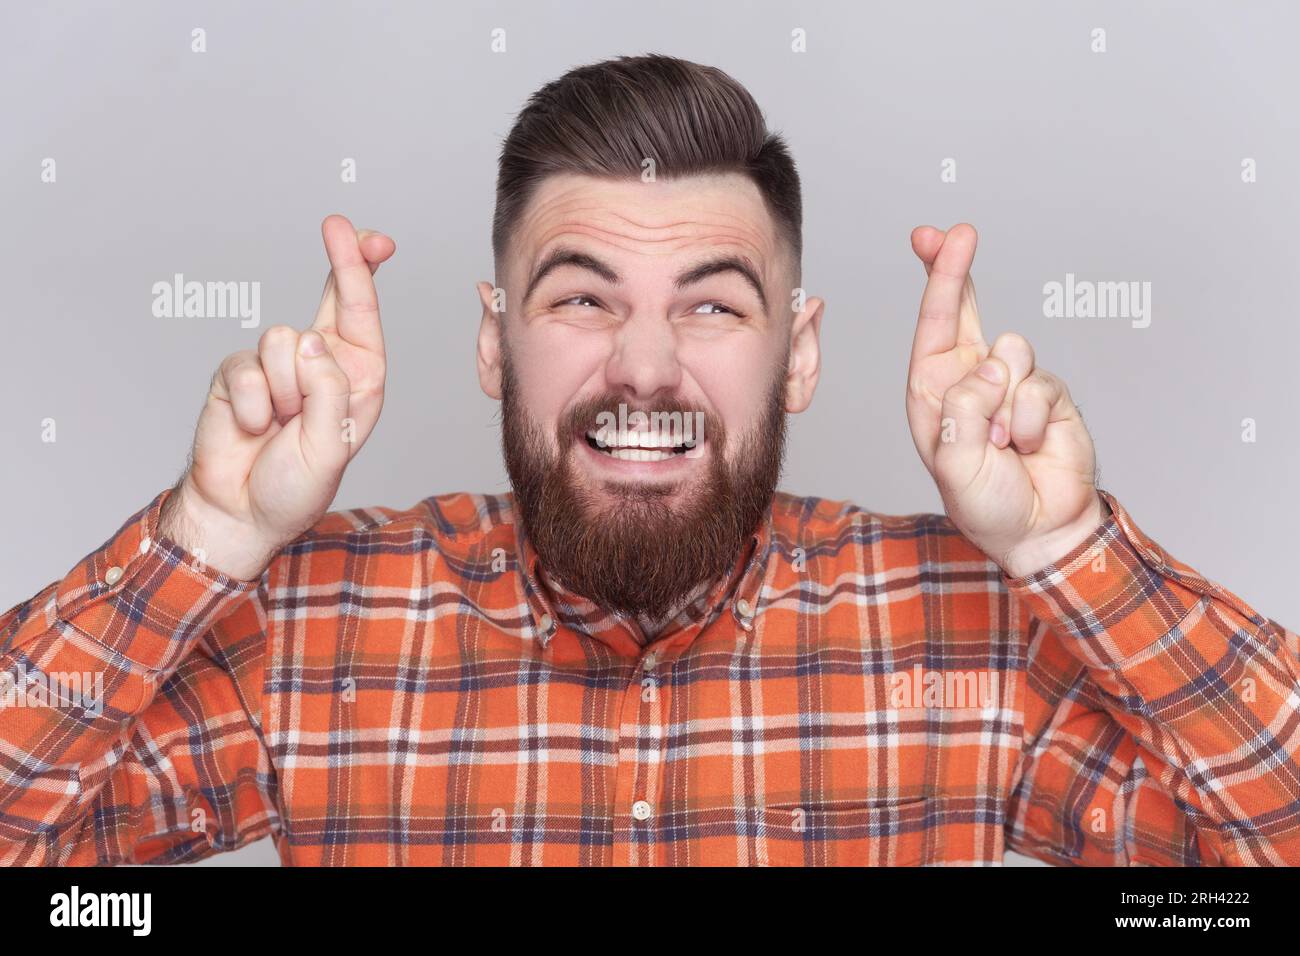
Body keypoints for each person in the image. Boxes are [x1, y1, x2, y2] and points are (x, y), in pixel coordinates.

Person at [2, 54, 1296, 867]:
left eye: (714, 305)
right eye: (580, 299)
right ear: (494, 347)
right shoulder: (316, 625)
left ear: (797, 356)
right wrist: (207, 539)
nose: (644, 366)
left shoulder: (958, 636)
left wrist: (1068, 553)